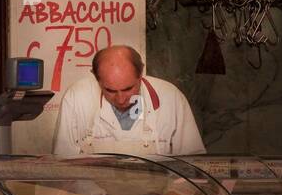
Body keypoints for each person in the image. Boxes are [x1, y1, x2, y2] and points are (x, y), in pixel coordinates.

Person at [52, 45, 205, 159]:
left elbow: (193, 158)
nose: (121, 99)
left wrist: (178, 192)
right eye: (110, 90)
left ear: (141, 74)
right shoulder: (76, 98)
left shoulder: (170, 97)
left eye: (128, 89)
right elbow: (63, 162)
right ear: (95, 77)